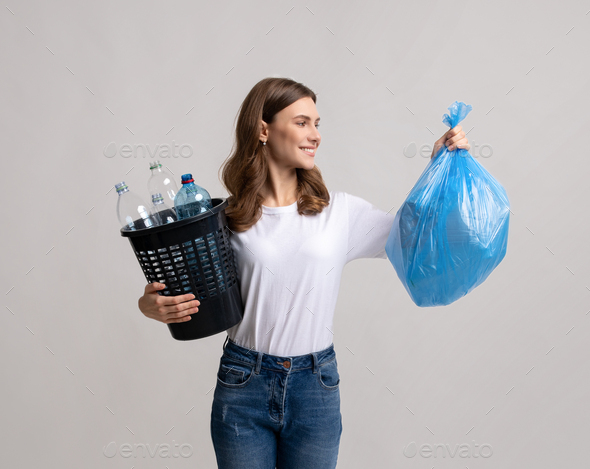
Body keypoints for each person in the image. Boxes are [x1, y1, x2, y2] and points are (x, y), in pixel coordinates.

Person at [137, 77, 470, 468]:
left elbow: (412, 237)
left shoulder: (339, 212)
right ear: (264, 129)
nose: (315, 135)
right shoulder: (226, 219)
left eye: (317, 123)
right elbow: (178, 290)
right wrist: (150, 304)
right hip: (243, 382)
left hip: (315, 386)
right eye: (302, 122)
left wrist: (439, 169)